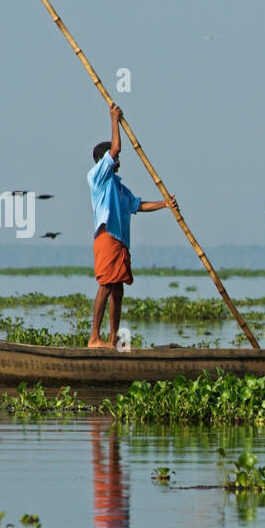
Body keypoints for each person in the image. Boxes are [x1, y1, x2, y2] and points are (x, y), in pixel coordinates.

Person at [86, 102, 176, 349]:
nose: (119, 162)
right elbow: (115, 148)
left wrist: (165, 204)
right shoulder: (97, 178)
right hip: (106, 237)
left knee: (118, 290)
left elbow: (137, 205)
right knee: (105, 285)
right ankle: (94, 338)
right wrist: (113, 118)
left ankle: (113, 339)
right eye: (116, 160)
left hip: (120, 242)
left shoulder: (118, 187)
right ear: (105, 161)